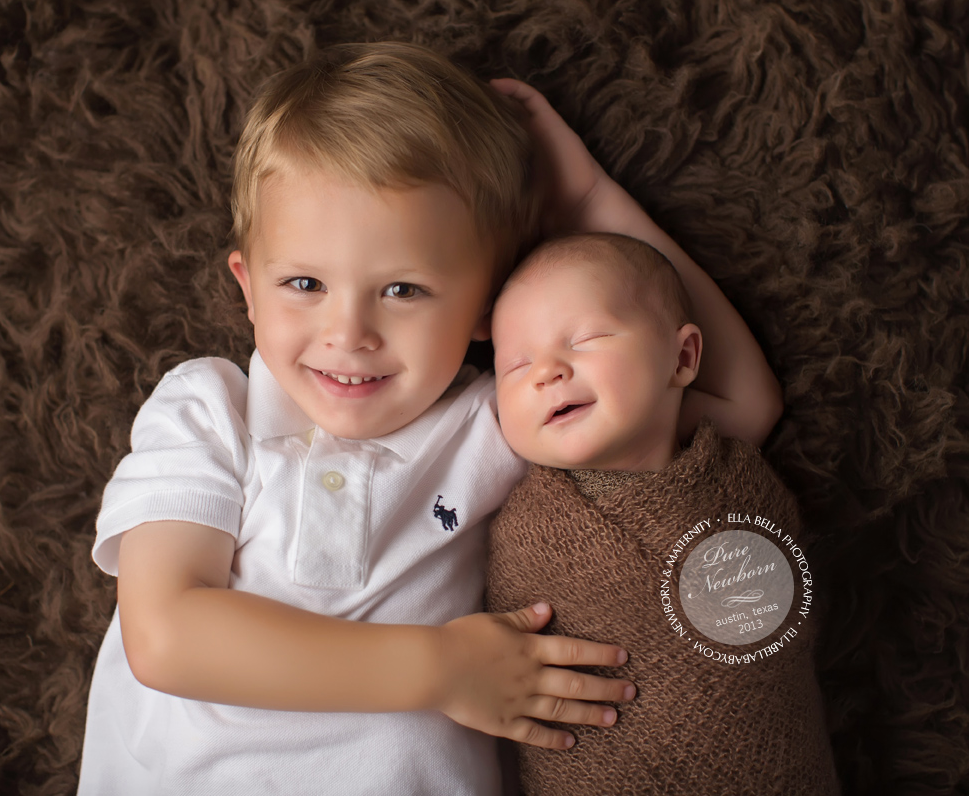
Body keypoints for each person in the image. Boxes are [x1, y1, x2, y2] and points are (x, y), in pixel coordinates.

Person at [76, 41, 775, 795]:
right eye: (304, 283)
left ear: (485, 307)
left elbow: (739, 403)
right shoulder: (211, 411)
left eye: (403, 290)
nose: (349, 333)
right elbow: (167, 636)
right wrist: (441, 668)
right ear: (247, 287)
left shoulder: (495, 425)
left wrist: (580, 201)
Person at [484, 232, 840, 794]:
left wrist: (589, 192)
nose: (545, 371)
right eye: (515, 365)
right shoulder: (519, 522)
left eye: (586, 339)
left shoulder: (732, 475)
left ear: (683, 357)